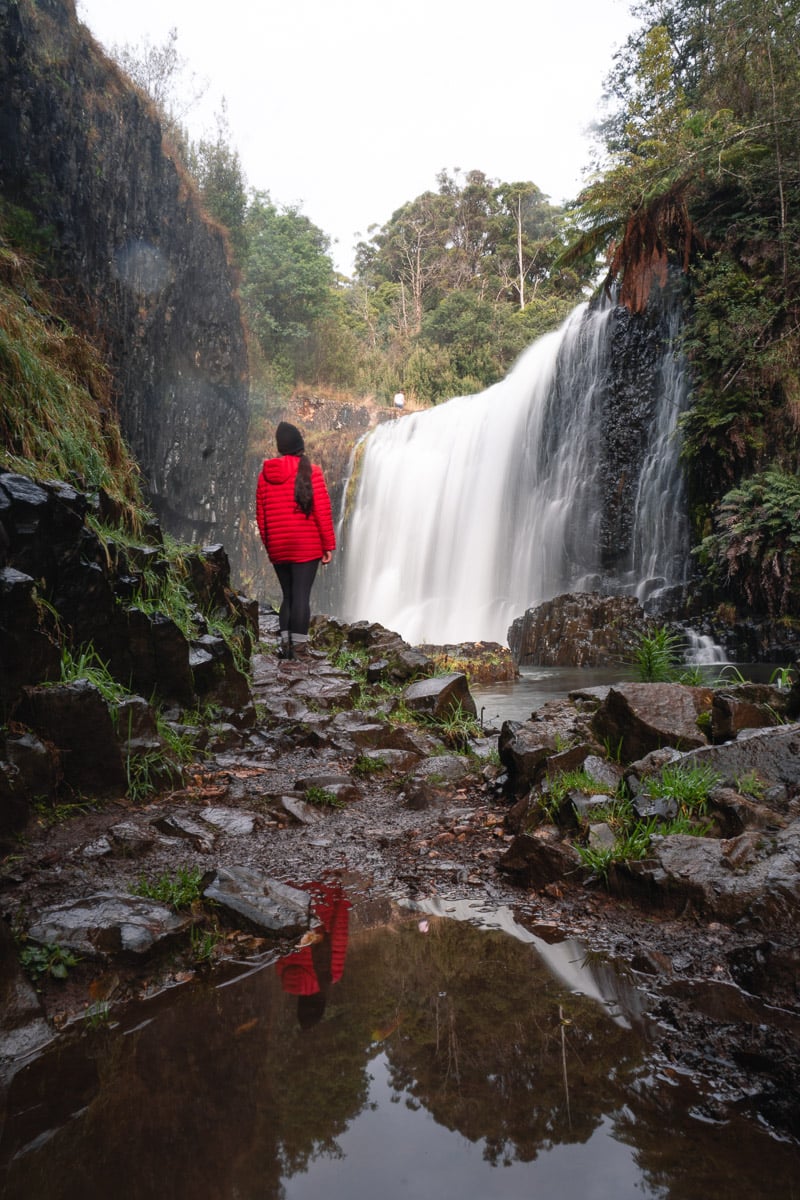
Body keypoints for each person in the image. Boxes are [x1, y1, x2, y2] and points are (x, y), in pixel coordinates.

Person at [256, 421, 336, 661]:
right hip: (306, 545)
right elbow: (322, 511)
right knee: (301, 596)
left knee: (288, 596)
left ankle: (285, 647)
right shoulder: (312, 471)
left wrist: (270, 546)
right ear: (300, 446)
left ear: (280, 448)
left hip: (279, 547)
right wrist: (328, 545)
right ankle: (299, 652)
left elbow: (261, 516)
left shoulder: (265, 475)